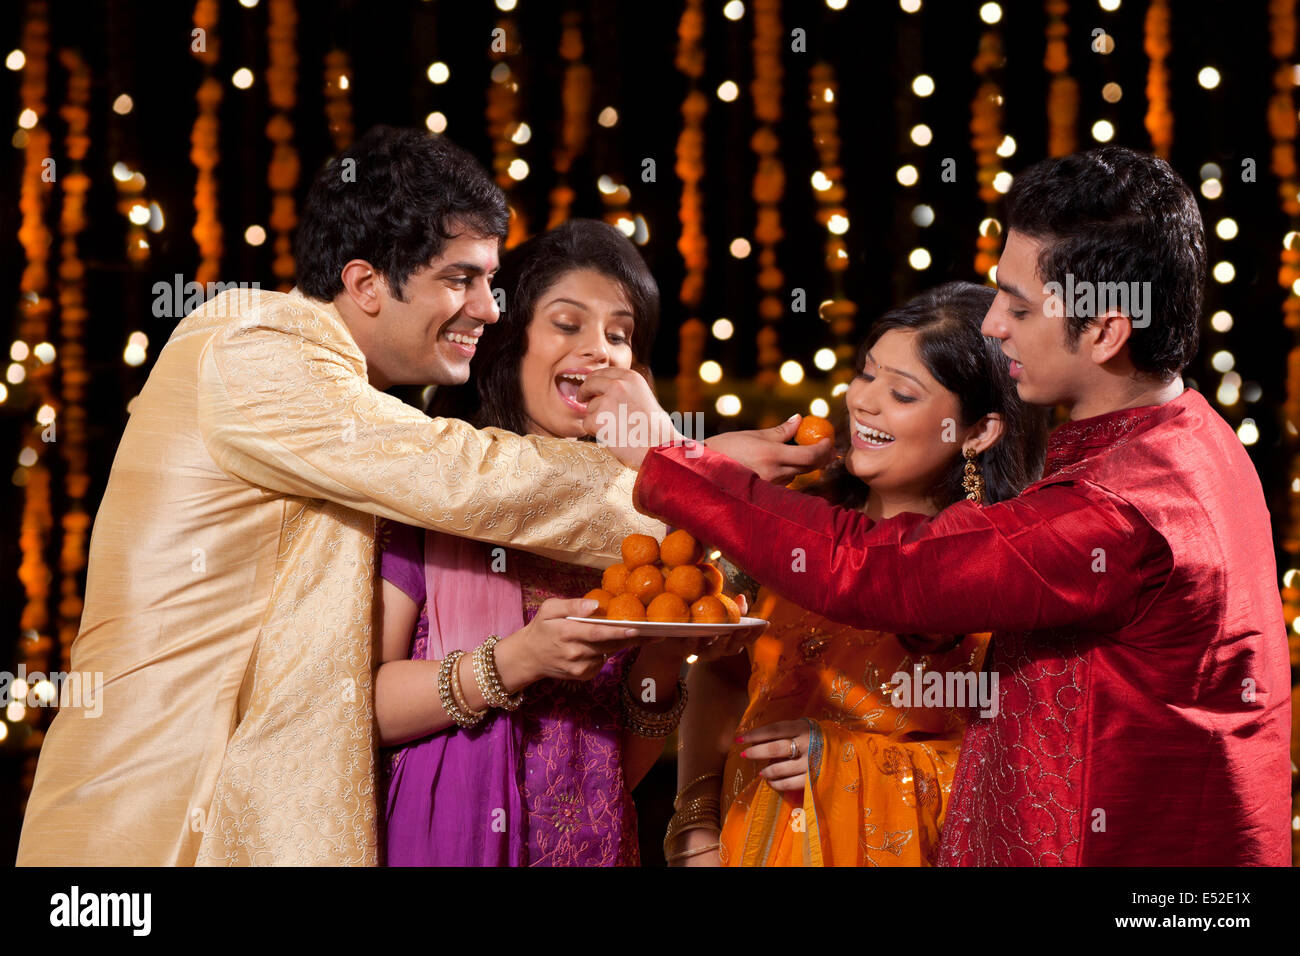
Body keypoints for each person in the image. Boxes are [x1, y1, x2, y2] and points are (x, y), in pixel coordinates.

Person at [15, 127, 807, 866]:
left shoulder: (354, 415)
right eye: (460, 279)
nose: (488, 310)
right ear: (363, 282)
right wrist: (683, 474)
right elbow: (464, 476)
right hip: (152, 821)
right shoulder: (251, 347)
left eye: (491, 282)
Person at [585, 146, 1292, 866]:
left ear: (1108, 330)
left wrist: (663, 453)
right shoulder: (1198, 438)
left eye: (1019, 306)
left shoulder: (1117, 510)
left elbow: (872, 569)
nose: (995, 326)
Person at [378, 219, 749, 865]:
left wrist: (666, 655)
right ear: (508, 341)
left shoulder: (634, 526)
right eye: (568, 323)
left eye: (619, 334)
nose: (600, 350)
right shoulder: (429, 498)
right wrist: (517, 660)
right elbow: (358, 710)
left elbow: (612, 773)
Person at [667, 283, 1048, 866]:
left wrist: (840, 759)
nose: (864, 402)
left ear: (979, 431)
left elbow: (1016, 784)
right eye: (867, 375)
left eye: (901, 392)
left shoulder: (998, 570)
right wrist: (694, 830)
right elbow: (720, 669)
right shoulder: (792, 520)